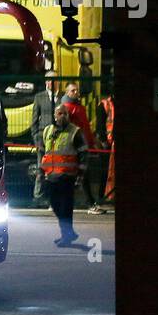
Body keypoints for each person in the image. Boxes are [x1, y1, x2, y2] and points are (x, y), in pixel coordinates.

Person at [40, 104, 86, 246]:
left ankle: (66, 235)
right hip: (51, 176)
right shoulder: (47, 130)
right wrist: (41, 172)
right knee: (55, 205)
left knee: (66, 207)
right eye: (60, 113)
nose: (63, 116)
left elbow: (84, 154)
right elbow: (44, 153)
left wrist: (81, 175)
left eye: (65, 114)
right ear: (55, 115)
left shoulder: (75, 132)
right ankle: (68, 232)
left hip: (67, 177)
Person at [61, 82, 102, 214]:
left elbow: (85, 127)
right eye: (73, 90)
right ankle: (90, 204)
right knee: (82, 175)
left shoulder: (78, 107)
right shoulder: (67, 108)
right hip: (76, 147)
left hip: (81, 146)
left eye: (77, 90)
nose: (76, 92)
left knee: (79, 176)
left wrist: (91, 142)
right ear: (67, 93)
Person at [29, 72, 61, 206]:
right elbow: (34, 120)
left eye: (54, 80)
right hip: (43, 138)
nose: (51, 83)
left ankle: (56, 196)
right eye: (49, 80)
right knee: (41, 167)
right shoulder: (39, 97)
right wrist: (36, 137)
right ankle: (38, 196)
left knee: (59, 168)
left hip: (60, 138)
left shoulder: (63, 96)